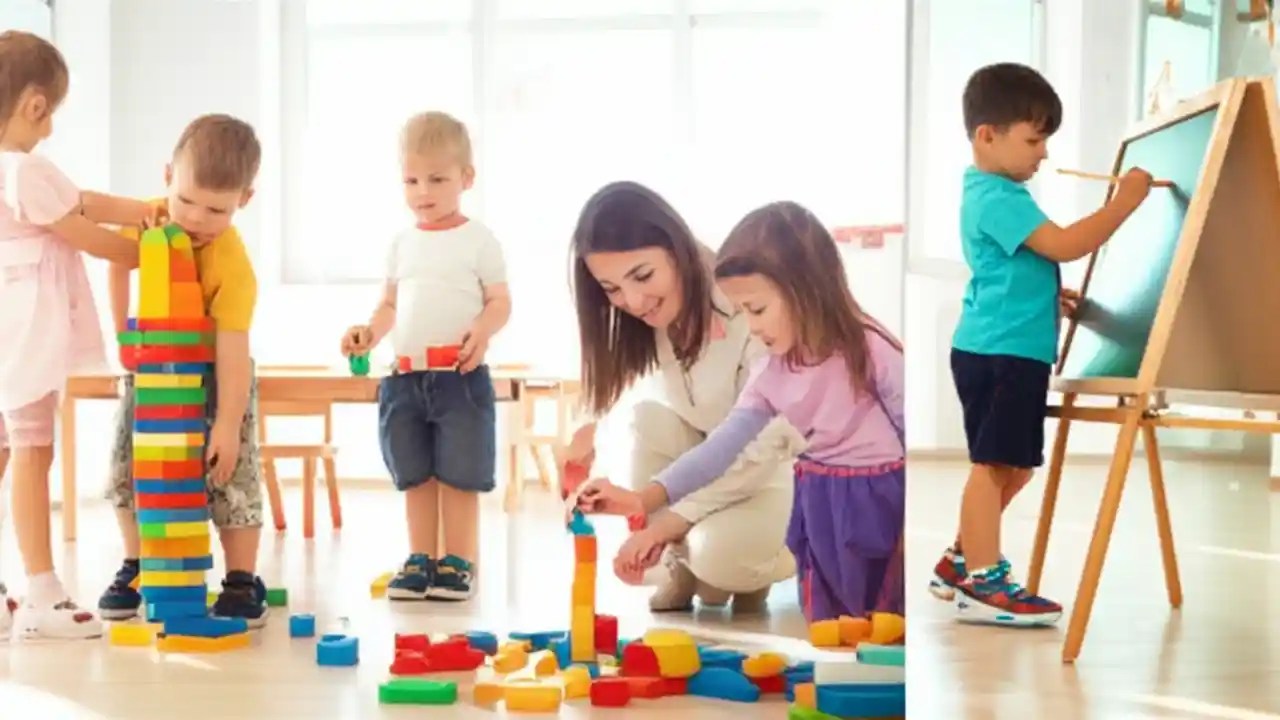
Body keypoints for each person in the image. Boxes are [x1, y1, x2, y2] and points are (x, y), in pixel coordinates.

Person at [580, 201, 905, 622]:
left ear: (807, 290)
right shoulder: (771, 370)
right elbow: (721, 447)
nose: (750, 325)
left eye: (757, 309)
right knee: (832, 608)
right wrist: (644, 499)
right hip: (821, 491)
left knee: (884, 602)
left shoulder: (869, 346)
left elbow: (905, 422)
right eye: (744, 311)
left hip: (876, 487)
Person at [931, 62, 1153, 626]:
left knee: (1015, 467)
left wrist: (1046, 298)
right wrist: (1124, 203)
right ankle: (983, 579)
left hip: (1010, 346)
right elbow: (1065, 244)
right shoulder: (999, 196)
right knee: (993, 465)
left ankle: (961, 560)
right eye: (1034, 139)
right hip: (999, 352)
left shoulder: (995, 193)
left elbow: (1014, 265)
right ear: (987, 135)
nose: (1044, 153)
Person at [561, 181, 801, 614]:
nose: (632, 300)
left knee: (717, 563)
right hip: (710, 454)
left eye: (643, 275)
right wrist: (584, 438)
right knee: (646, 418)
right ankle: (689, 567)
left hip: (767, 470)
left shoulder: (748, 302)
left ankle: (784, 554)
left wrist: (664, 523)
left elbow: (755, 450)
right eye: (611, 288)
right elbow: (617, 386)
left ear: (677, 247)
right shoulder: (649, 311)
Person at [0, 30, 154, 640]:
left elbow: (84, 200)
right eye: (51, 116)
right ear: (35, 103)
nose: (51, 130)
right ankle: (43, 591)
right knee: (35, 449)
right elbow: (84, 228)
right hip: (25, 332)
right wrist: (153, 249)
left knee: (8, 450)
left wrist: (147, 207)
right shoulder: (26, 167)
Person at [97, 114, 269, 626]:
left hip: (219, 374)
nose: (196, 218)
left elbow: (234, 347)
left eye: (217, 209)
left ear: (244, 201)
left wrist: (225, 423)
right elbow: (117, 263)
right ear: (168, 175)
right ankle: (139, 562)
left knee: (230, 473)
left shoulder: (231, 263)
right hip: (151, 371)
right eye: (187, 200)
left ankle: (241, 578)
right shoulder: (149, 216)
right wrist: (123, 335)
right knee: (129, 468)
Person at [340, 111, 510, 601]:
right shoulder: (402, 243)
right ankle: (420, 557)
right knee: (414, 473)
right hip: (406, 379)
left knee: (459, 473)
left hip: (459, 376)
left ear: (466, 178)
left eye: (436, 178)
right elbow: (390, 304)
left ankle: (457, 561)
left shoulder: (478, 239)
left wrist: (482, 329)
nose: (422, 190)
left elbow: (500, 301)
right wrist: (368, 333)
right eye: (411, 180)